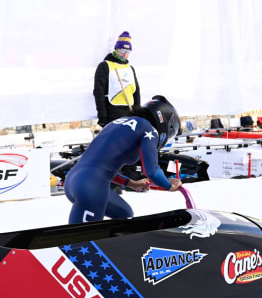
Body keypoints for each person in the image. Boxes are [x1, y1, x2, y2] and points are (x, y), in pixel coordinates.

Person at [65, 95, 182, 224]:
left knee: (124, 214)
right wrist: (169, 184)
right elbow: (152, 171)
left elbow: (102, 167)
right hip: (91, 185)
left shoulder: (118, 122)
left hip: (76, 180)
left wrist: (131, 183)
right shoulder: (149, 129)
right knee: (82, 242)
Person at [93, 31, 140, 128]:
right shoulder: (105, 66)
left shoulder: (130, 69)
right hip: (112, 113)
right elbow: (99, 92)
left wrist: (137, 112)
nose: (125, 55)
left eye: (128, 52)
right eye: (122, 51)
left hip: (129, 113)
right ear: (117, 49)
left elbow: (136, 92)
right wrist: (102, 116)